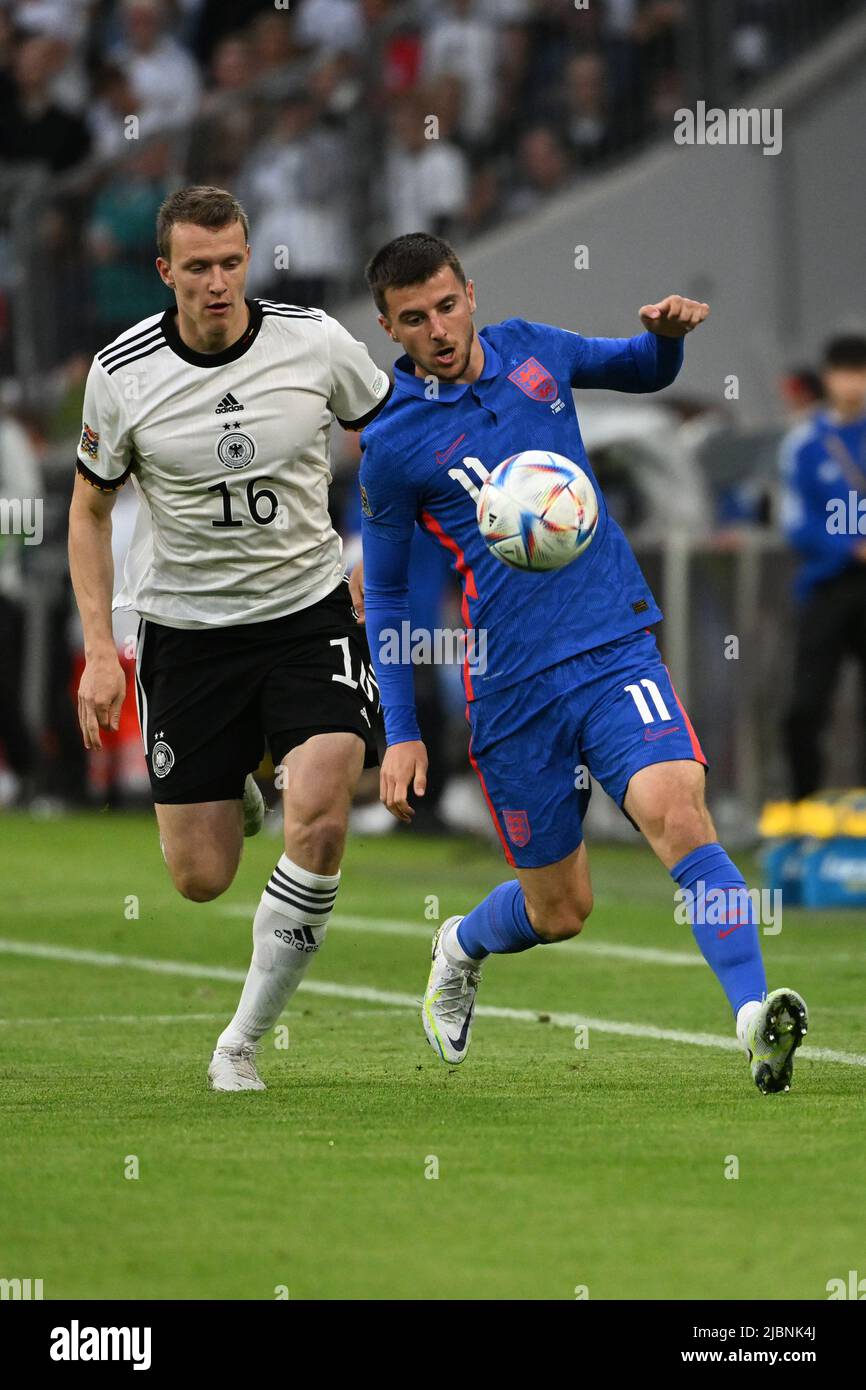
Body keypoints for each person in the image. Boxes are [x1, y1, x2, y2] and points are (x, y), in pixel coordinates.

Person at [355, 232, 807, 1095]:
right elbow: (383, 596)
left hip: (612, 643)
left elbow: (643, 369)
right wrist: (401, 733)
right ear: (390, 328)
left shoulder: (536, 348)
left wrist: (668, 335)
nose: (439, 329)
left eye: (447, 306)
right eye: (414, 319)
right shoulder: (395, 445)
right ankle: (459, 945)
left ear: (470, 294)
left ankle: (753, 1017)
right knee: (559, 910)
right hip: (513, 687)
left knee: (680, 815)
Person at [69, 186, 390, 1092]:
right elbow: (88, 513)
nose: (218, 282)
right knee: (202, 876)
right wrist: (102, 651)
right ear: (165, 270)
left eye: (232, 262)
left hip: (308, 613)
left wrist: (381, 555)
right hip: (190, 634)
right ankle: (249, 772)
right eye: (198, 267)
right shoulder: (122, 373)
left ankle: (241, 1042)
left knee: (323, 817)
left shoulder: (316, 343)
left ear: (250, 258)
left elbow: (393, 438)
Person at [779, 334, 866, 798]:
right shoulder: (805, 443)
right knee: (804, 708)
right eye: (844, 372)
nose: (852, 383)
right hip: (826, 588)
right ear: (828, 378)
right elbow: (796, 523)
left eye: (860, 372)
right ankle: (803, 810)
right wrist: (850, 547)